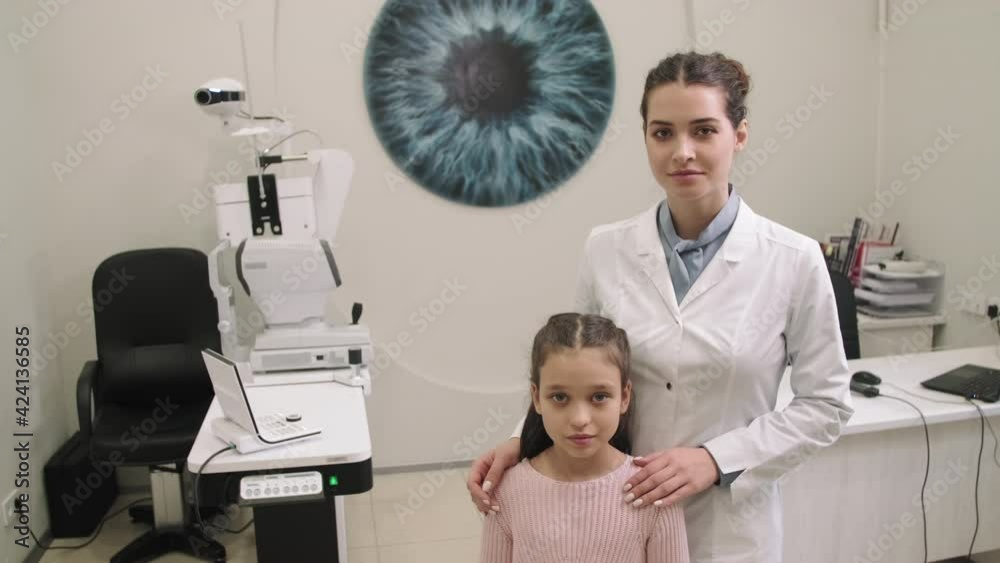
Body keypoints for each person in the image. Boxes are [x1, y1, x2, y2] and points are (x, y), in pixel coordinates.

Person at [468, 51, 854, 562]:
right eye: (663, 133)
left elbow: (826, 406)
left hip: (730, 530)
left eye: (704, 131)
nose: (682, 152)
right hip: (617, 519)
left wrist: (715, 459)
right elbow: (571, 370)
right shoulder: (606, 249)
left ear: (739, 135)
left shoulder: (793, 259)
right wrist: (522, 440)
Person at [479, 313, 690, 563]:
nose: (580, 419)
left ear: (624, 397)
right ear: (537, 398)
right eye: (560, 397)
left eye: (599, 397)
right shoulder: (506, 492)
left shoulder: (652, 491)